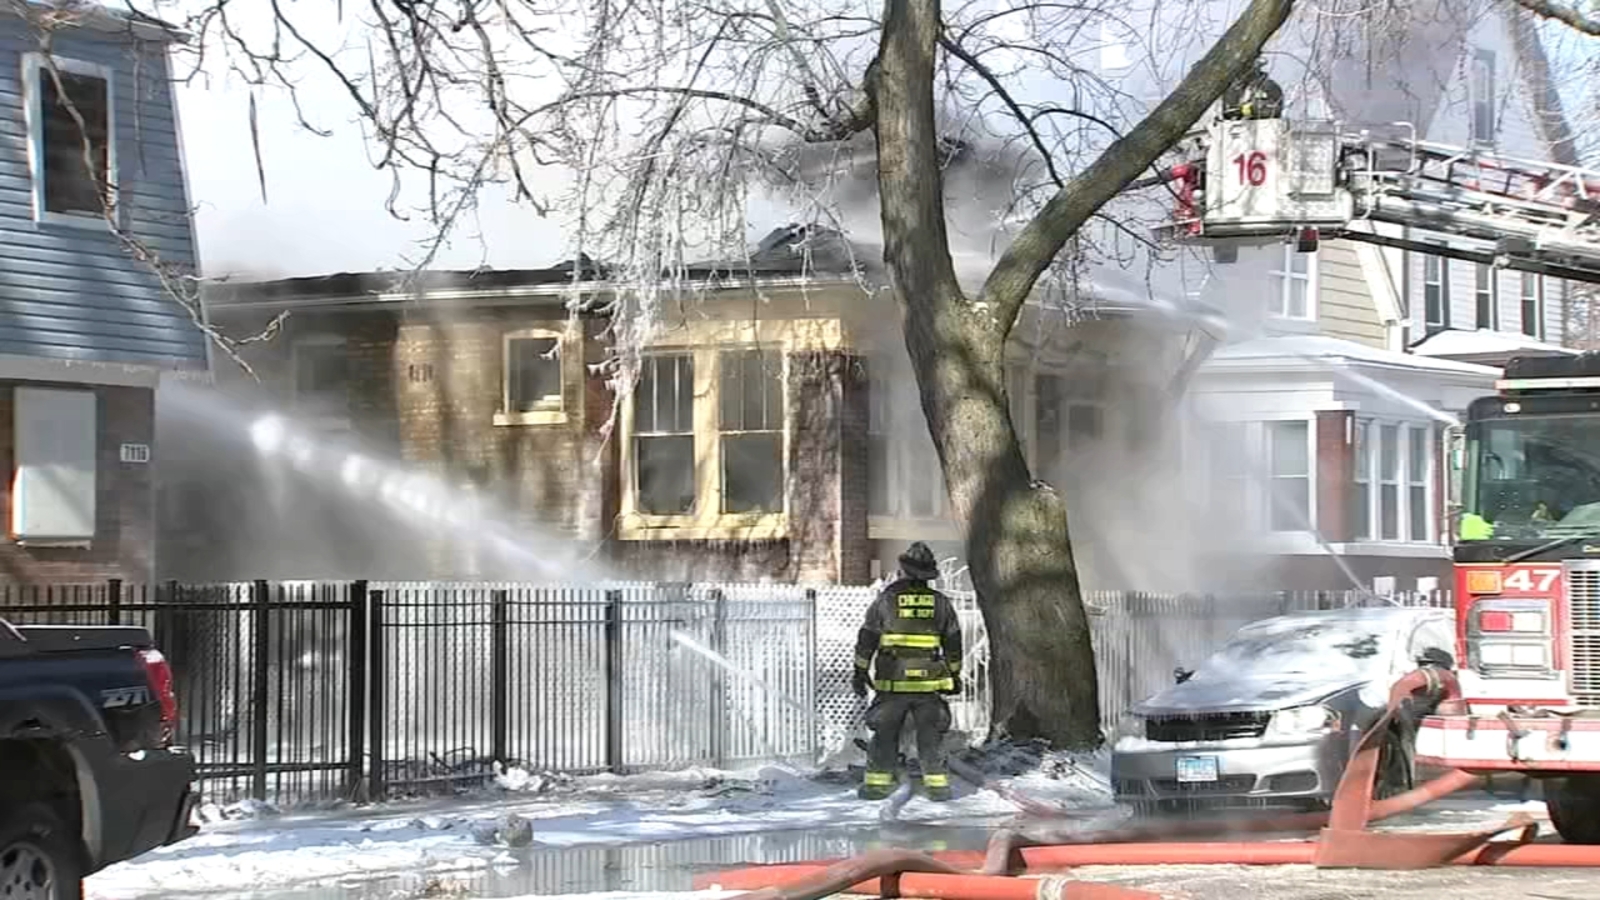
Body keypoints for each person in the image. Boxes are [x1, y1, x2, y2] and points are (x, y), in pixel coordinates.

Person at [852, 541, 964, 801]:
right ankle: (937, 787)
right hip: (929, 685)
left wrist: (860, 671)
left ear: (903, 570)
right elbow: (953, 643)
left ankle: (877, 785)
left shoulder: (886, 600)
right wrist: (955, 674)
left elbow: (867, 638)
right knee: (930, 736)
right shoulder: (940, 603)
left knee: (885, 734)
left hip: (893, 683)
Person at [1221, 57, 1284, 121]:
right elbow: (1226, 111)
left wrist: (1251, 109)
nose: (1244, 72)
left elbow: (1275, 109)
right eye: (1241, 69)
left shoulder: (1270, 87)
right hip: (1234, 125)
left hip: (1264, 125)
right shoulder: (1231, 90)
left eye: (1248, 67)